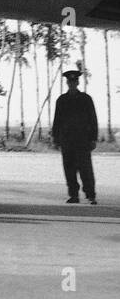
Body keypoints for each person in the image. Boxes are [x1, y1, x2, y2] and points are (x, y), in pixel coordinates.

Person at [52, 70, 98, 205]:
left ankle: (91, 195)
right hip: (67, 140)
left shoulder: (86, 99)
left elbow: (92, 119)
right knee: (69, 169)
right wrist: (56, 139)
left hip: (83, 140)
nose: (72, 84)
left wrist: (93, 138)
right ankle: (73, 195)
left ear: (78, 82)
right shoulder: (62, 100)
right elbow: (57, 120)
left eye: (74, 81)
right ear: (67, 83)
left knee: (86, 169)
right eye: (70, 82)